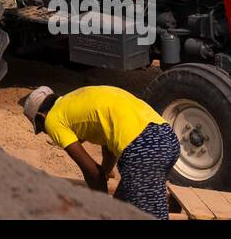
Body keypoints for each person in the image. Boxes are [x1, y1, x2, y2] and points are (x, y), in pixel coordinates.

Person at [24, 85, 180, 220]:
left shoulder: (52, 120)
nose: (45, 132)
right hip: (167, 137)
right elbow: (108, 142)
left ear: (40, 116)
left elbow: (92, 172)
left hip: (143, 149)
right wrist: (105, 170)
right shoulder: (75, 100)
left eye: (41, 128)